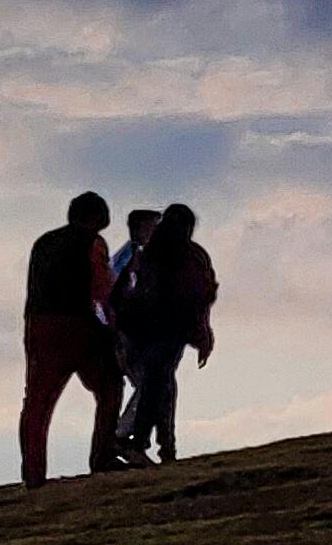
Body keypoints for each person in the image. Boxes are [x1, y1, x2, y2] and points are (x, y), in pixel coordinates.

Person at [19, 191, 123, 484]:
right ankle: (102, 457)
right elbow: (102, 290)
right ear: (98, 219)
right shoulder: (93, 243)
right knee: (109, 387)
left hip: (39, 325)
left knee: (37, 402)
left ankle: (33, 473)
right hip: (79, 325)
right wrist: (113, 327)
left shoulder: (43, 243)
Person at [115, 201, 217, 464]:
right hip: (168, 331)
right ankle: (151, 442)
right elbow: (201, 297)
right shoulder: (189, 255)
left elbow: (128, 295)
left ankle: (151, 442)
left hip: (148, 331)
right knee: (159, 386)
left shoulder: (148, 255)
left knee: (157, 386)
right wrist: (201, 333)